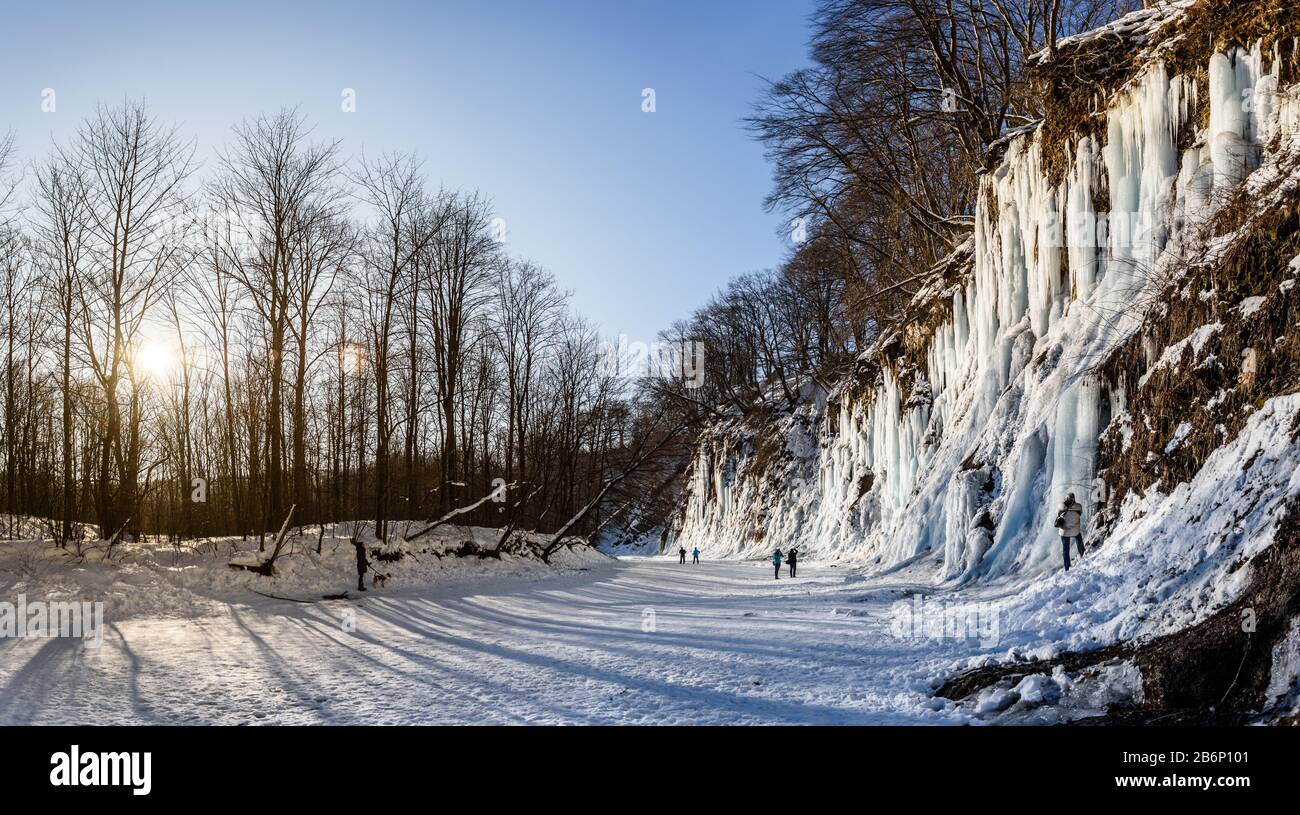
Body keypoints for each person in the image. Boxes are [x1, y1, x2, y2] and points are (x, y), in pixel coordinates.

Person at [1055, 493, 1085, 570]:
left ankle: (1067, 567)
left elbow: (1058, 514)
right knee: (1078, 538)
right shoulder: (1078, 507)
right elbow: (1080, 514)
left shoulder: (1061, 506)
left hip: (1064, 532)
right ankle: (1082, 554)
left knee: (1066, 549)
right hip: (1075, 530)